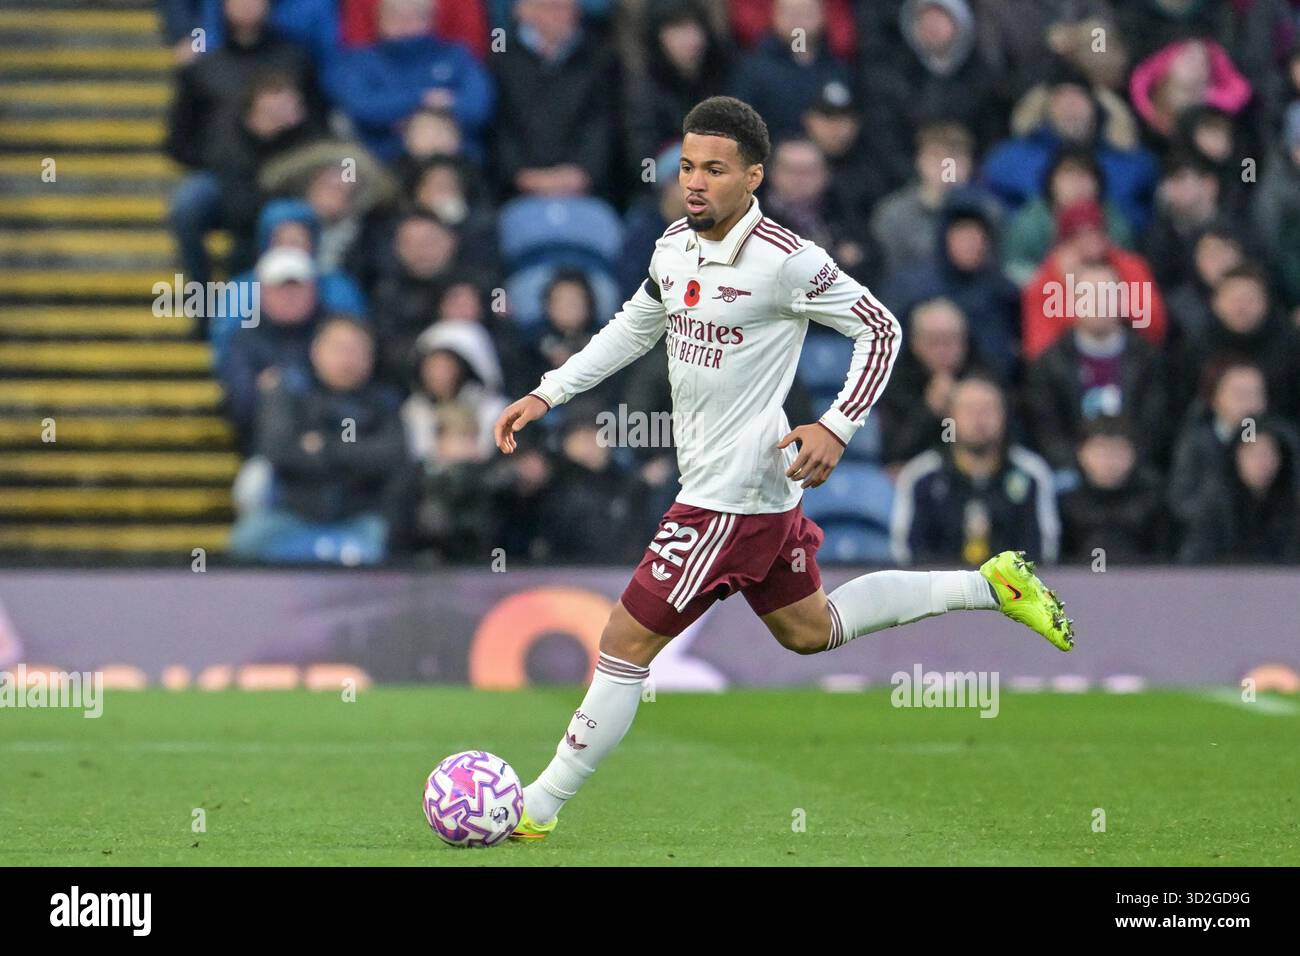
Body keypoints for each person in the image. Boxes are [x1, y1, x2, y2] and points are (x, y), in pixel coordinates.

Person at [491, 96, 1075, 842]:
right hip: (752, 485)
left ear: (754, 176)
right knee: (809, 629)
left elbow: (882, 329)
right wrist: (548, 392)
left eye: (714, 169)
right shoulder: (673, 245)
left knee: (623, 642)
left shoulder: (785, 261)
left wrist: (836, 425)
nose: (694, 182)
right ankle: (990, 584)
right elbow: (635, 326)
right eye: (688, 166)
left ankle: (537, 808)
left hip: (727, 496)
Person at [891, 375, 1060, 566]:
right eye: (969, 410)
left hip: (1011, 592)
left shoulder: (1031, 474)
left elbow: (1042, 553)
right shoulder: (921, 476)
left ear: (1004, 415)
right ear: (950, 417)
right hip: (937, 592)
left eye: (988, 410)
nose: (979, 419)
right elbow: (908, 554)